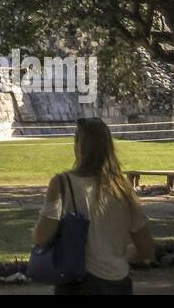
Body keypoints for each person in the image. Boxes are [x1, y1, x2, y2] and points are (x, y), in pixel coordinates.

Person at [32, 117, 154, 295]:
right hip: (119, 283)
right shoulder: (123, 188)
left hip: (81, 283)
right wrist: (116, 257)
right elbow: (146, 250)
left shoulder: (62, 183)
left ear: (78, 146)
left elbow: (41, 237)